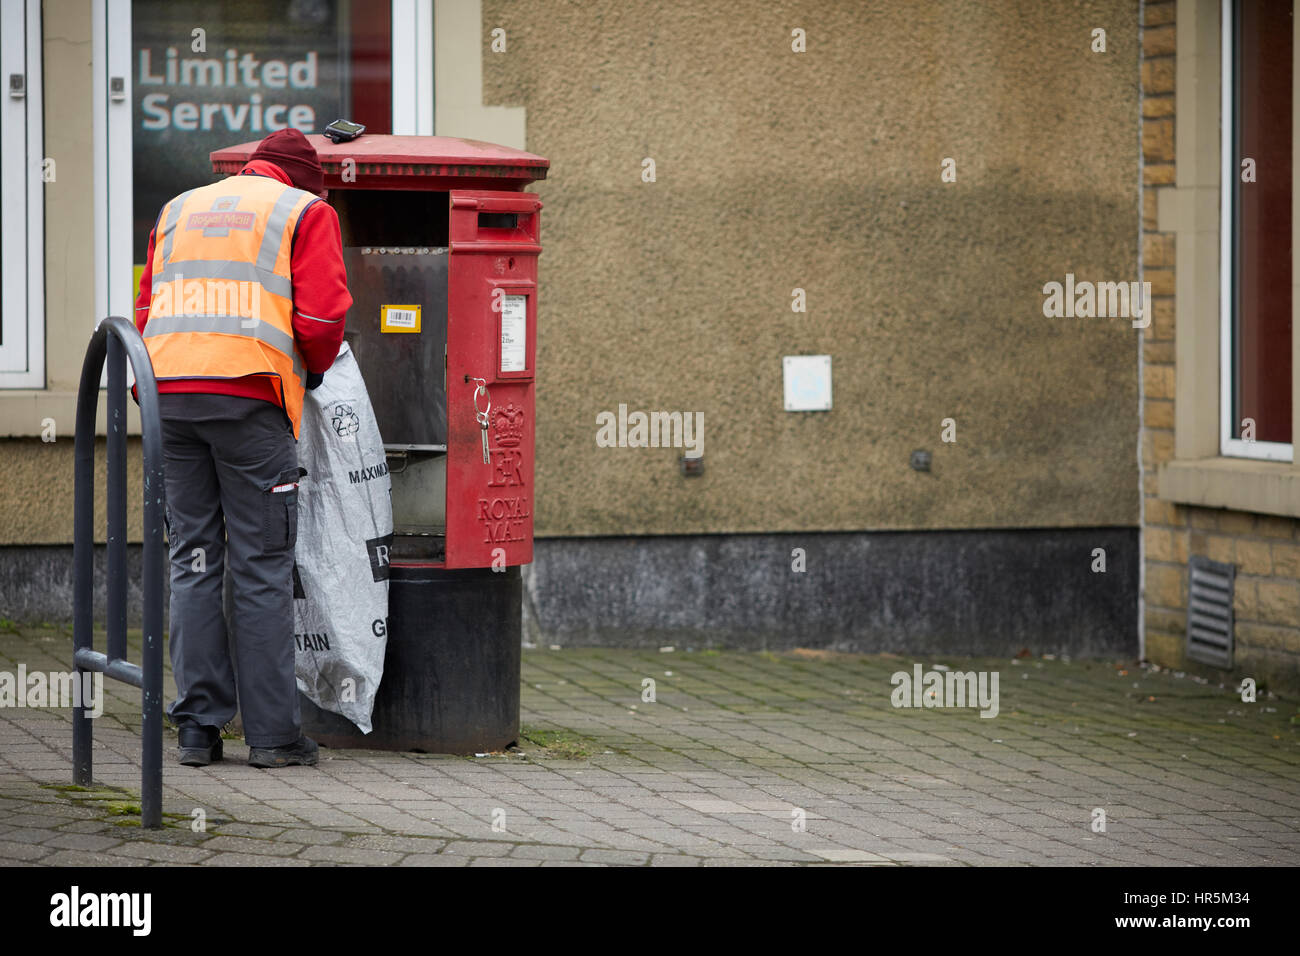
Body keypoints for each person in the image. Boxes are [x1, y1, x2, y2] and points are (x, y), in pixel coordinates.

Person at [134, 128, 352, 768]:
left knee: (194, 559)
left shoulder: (178, 208)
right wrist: (308, 372)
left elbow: (146, 308)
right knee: (260, 565)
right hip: (250, 398)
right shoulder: (305, 212)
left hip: (168, 396)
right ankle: (273, 738)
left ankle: (198, 730)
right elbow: (320, 319)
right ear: (302, 181)